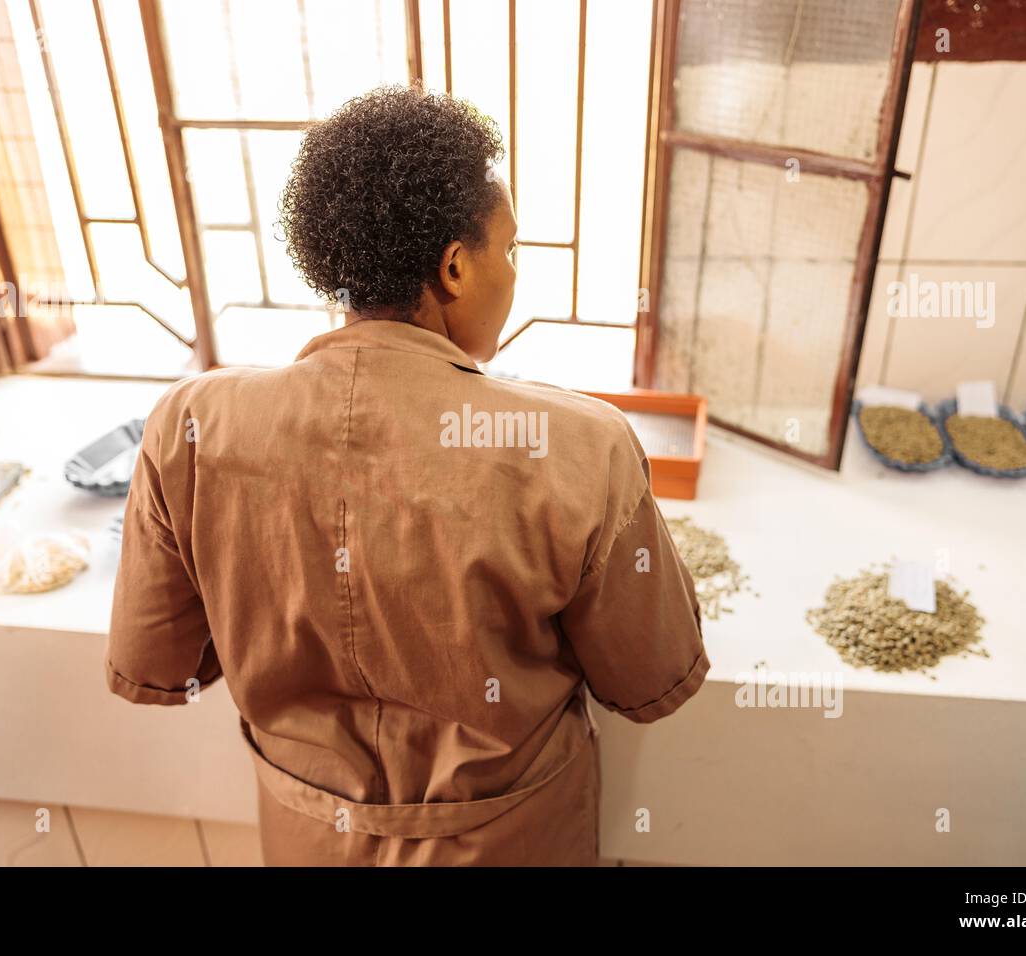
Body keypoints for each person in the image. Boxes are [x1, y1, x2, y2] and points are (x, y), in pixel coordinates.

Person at [105, 86, 707, 866]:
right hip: (508, 844)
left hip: (311, 840)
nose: (515, 271)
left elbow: (160, 665)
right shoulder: (579, 446)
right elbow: (650, 677)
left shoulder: (190, 425)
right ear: (454, 267)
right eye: (511, 249)